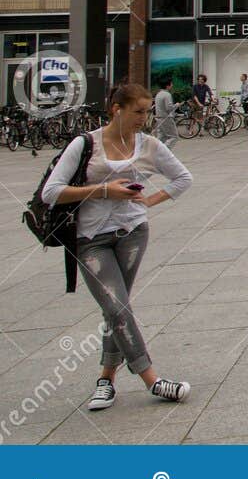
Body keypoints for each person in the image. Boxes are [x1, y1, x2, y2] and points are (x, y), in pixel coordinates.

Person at [42, 82, 194, 409]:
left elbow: (184, 178)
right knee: (117, 307)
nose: (144, 118)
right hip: (90, 239)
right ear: (117, 109)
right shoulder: (86, 144)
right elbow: (51, 192)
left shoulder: (149, 145)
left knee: (116, 309)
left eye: (147, 111)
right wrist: (103, 190)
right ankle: (152, 380)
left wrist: (149, 201)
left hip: (133, 234)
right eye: (138, 111)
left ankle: (106, 380)